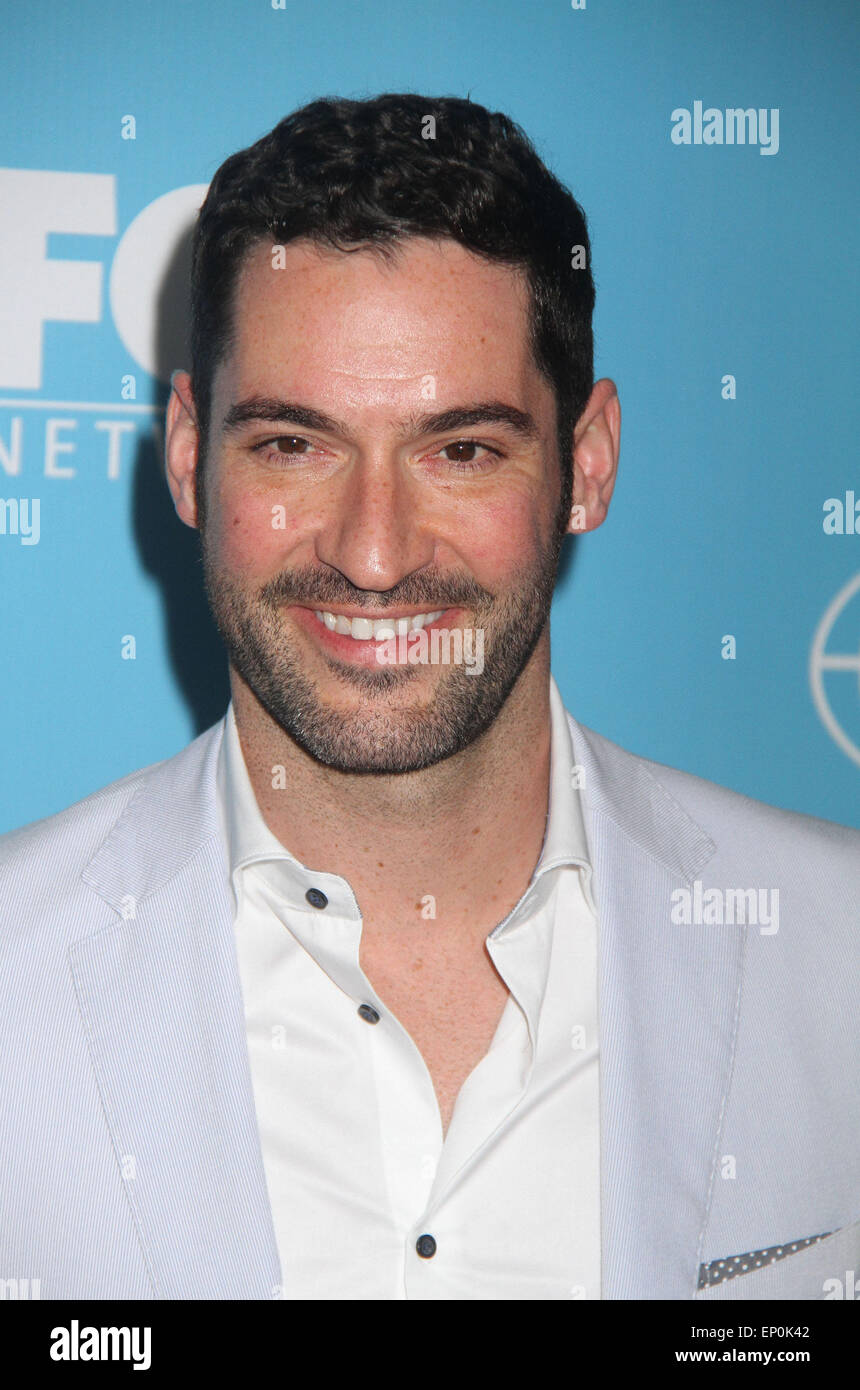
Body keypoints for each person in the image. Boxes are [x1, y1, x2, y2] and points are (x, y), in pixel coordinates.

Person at [1, 93, 857, 1302]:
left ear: (586, 463)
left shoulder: (835, 956)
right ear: (189, 454)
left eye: (459, 449)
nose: (371, 552)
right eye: (294, 443)